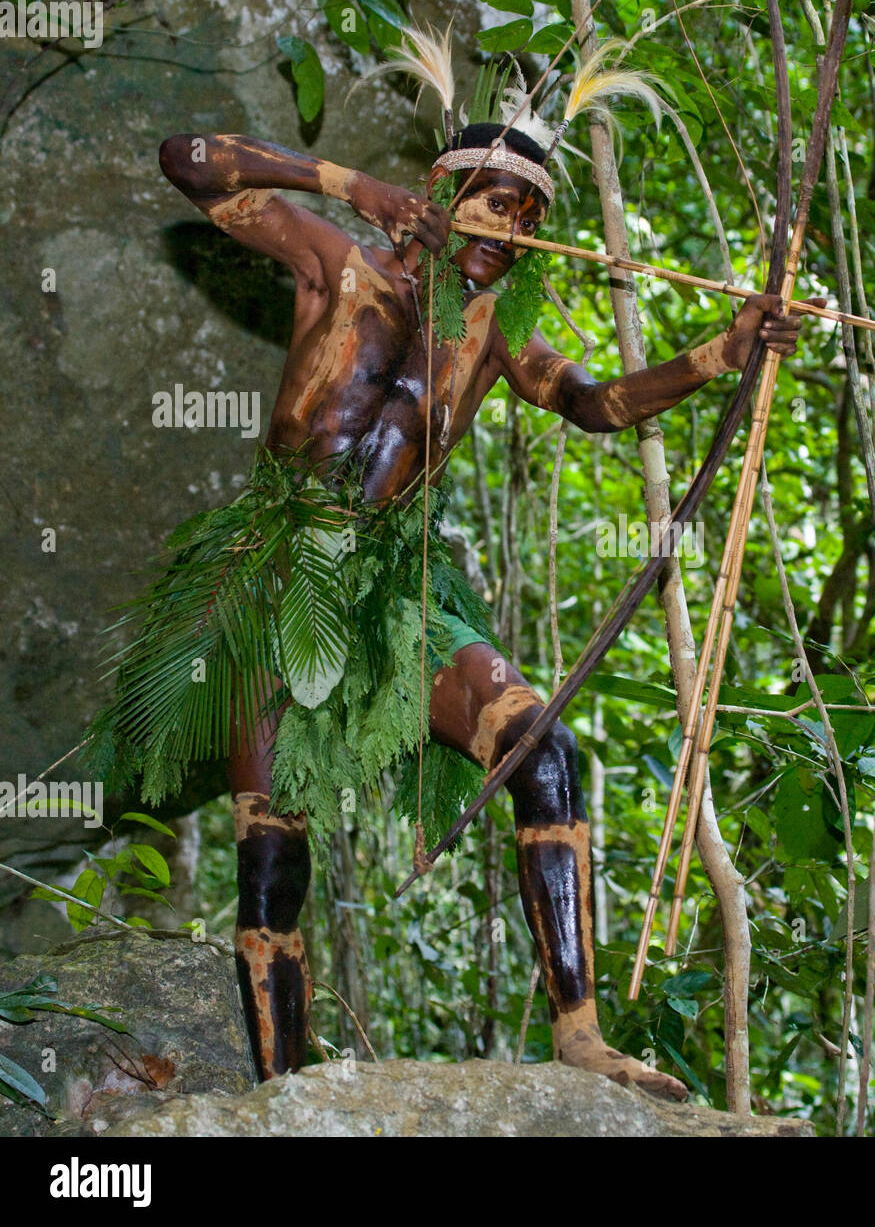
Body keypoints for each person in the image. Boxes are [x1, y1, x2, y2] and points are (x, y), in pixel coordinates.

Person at [92, 90, 815, 1101]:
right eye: (497, 200)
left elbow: (595, 403)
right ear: (441, 192)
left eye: (531, 216)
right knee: (270, 861)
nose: (513, 230)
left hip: (398, 589)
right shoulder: (335, 264)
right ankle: (282, 1099)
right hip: (280, 578)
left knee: (540, 744)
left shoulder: (491, 331)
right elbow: (188, 157)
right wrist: (351, 185)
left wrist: (720, 356)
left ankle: (579, 1035)